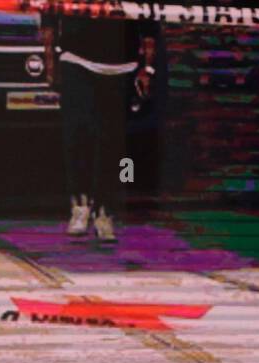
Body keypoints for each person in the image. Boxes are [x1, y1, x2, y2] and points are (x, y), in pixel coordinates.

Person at [42, 6, 158, 242]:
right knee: (78, 132)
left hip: (121, 66)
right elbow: (49, 17)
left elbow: (149, 23)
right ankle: (80, 205)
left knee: (111, 141)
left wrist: (147, 68)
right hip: (77, 59)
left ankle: (104, 210)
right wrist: (50, 59)